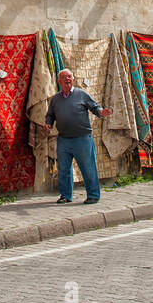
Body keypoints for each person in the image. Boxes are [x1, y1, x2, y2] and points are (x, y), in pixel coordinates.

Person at [44, 68, 111, 204]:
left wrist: (101, 112)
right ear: (59, 81)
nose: (67, 79)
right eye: (64, 77)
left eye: (69, 77)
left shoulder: (82, 94)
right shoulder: (55, 99)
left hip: (82, 138)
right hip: (63, 139)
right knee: (63, 169)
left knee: (88, 167)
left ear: (73, 80)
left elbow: (94, 107)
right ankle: (65, 195)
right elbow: (50, 115)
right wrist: (48, 123)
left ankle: (93, 195)